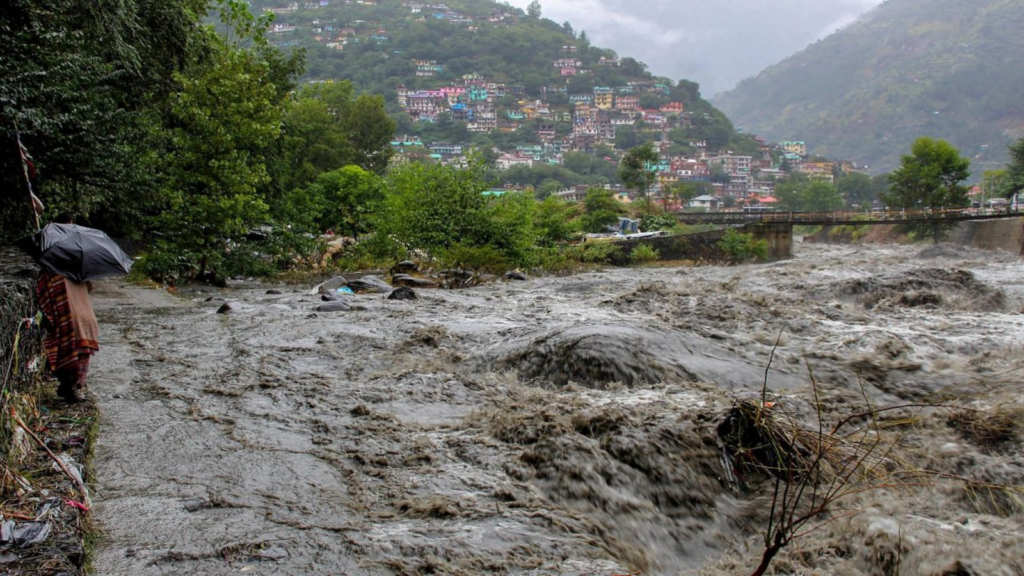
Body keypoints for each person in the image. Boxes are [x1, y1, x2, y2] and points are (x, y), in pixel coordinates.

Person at [35, 213, 99, 402]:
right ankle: (69, 387)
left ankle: (70, 386)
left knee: (73, 350)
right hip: (73, 313)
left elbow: (44, 288)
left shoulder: (61, 260)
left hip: (75, 313)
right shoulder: (72, 259)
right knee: (74, 350)